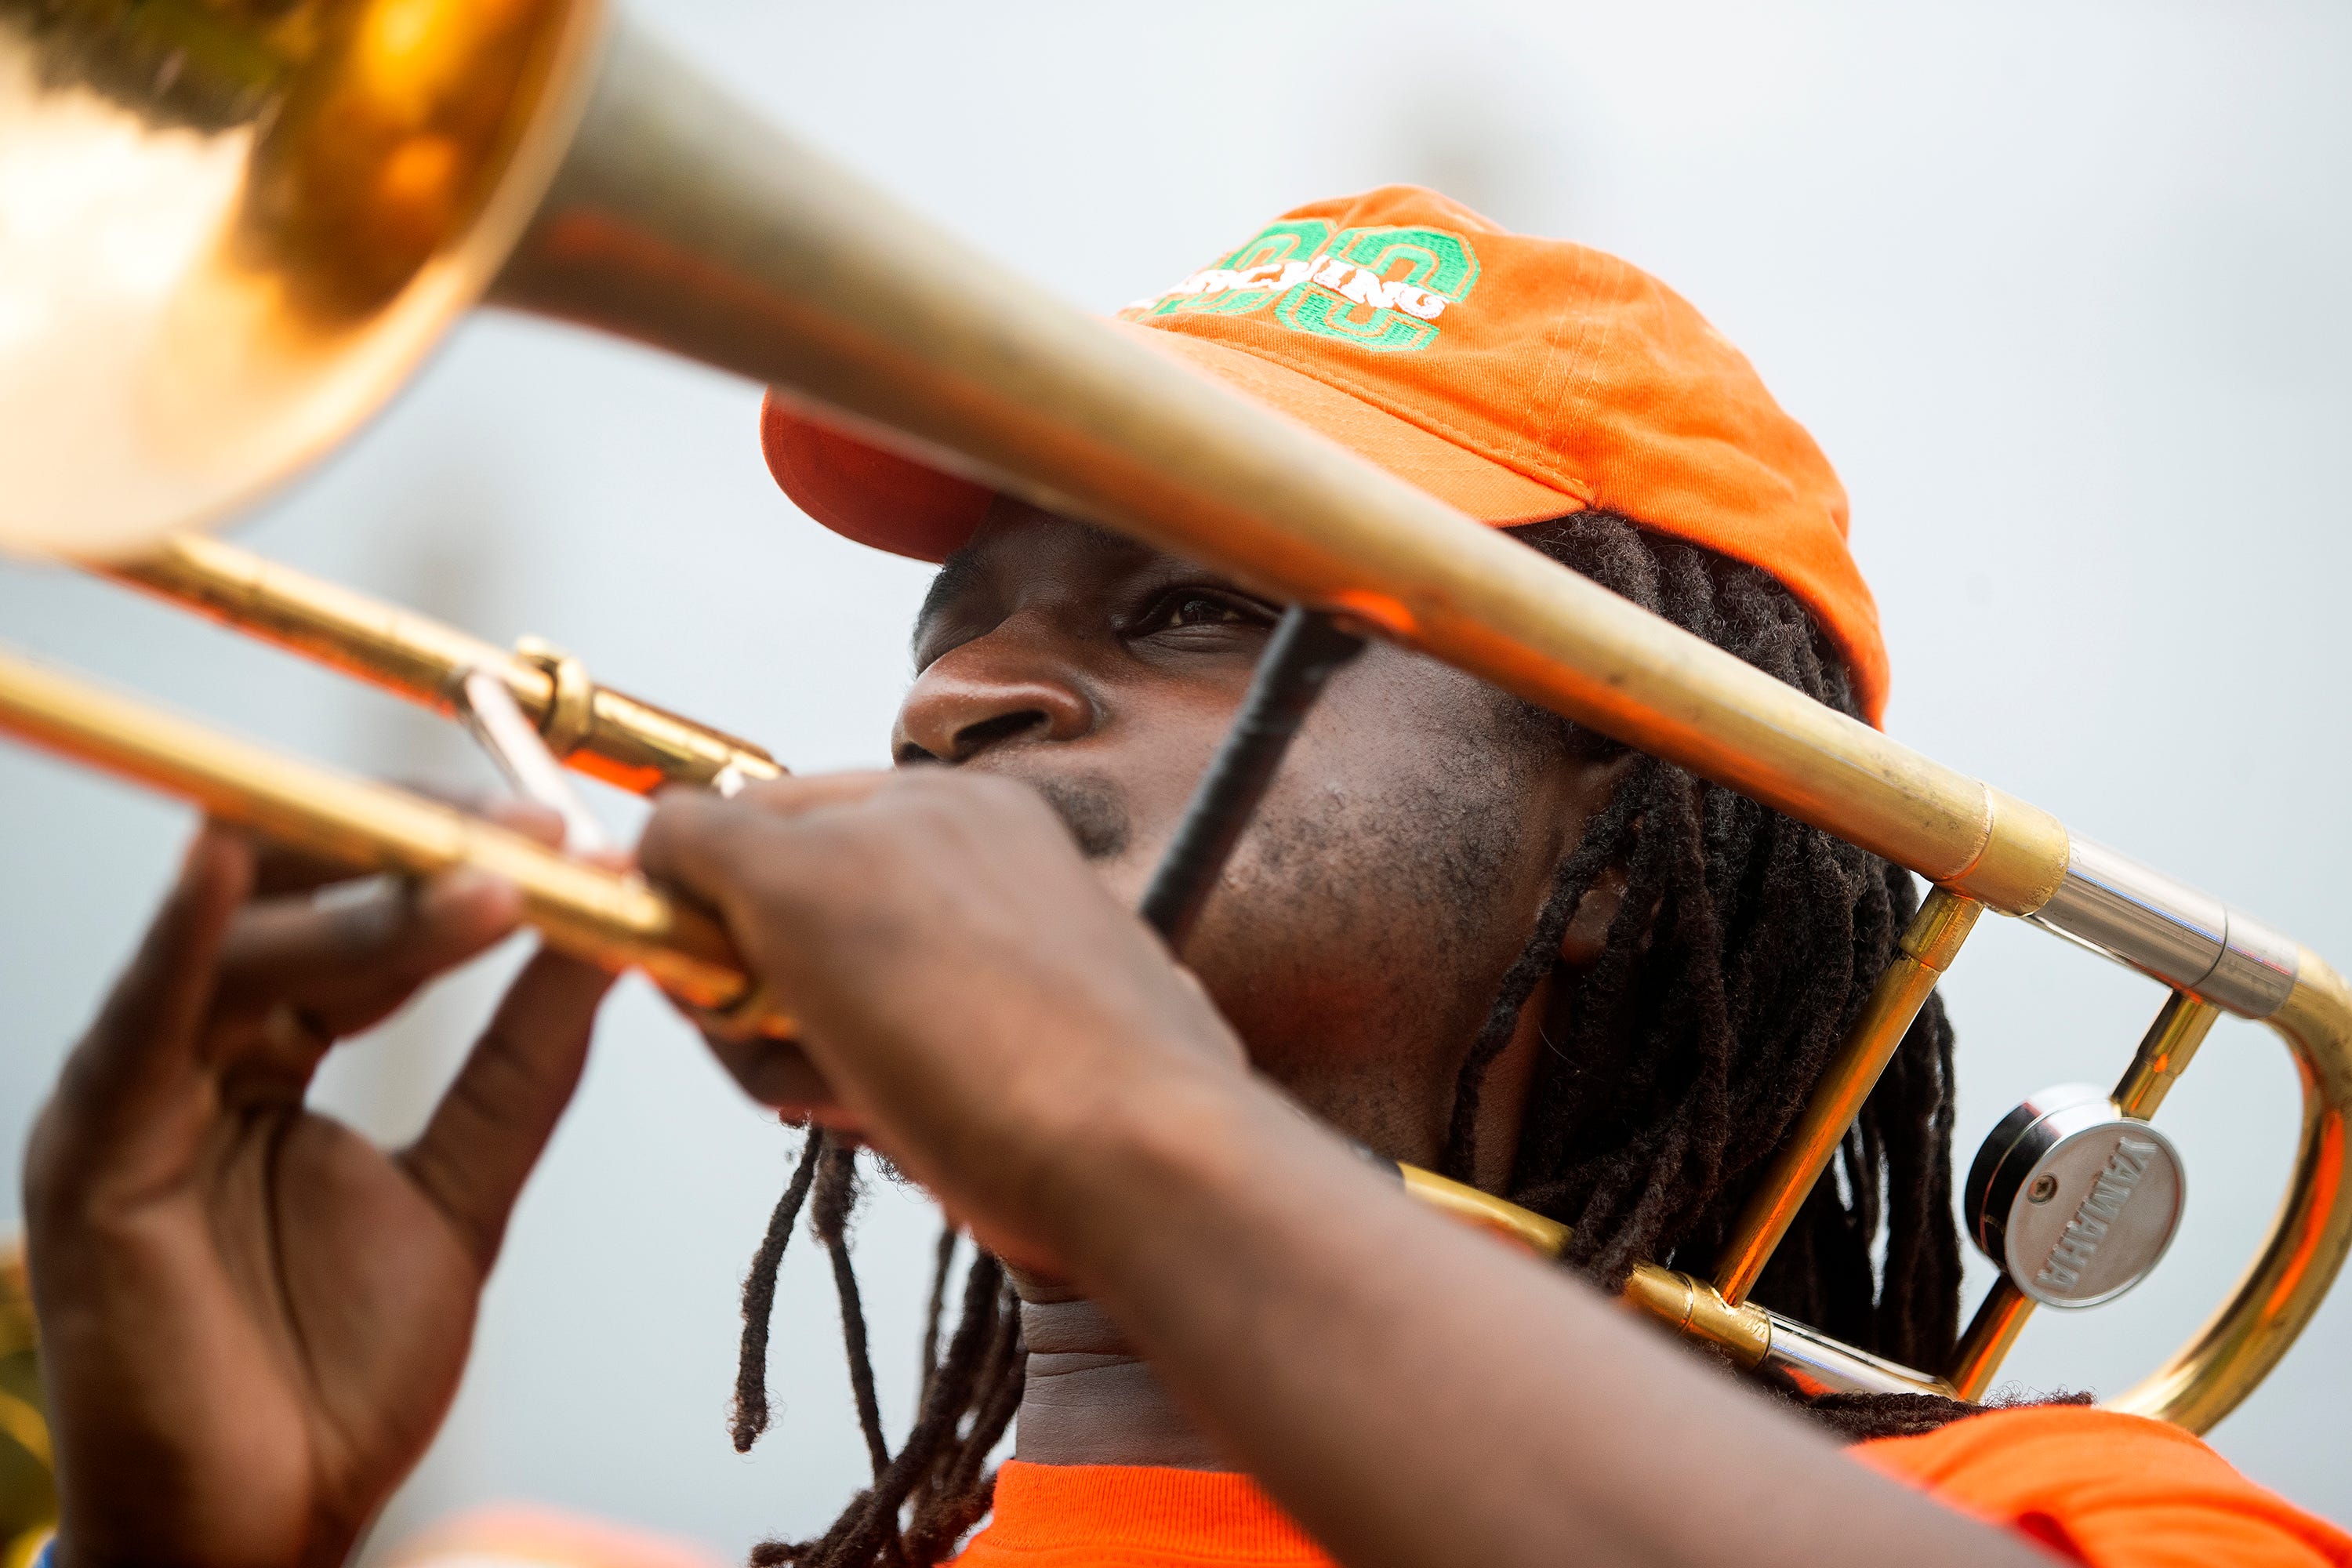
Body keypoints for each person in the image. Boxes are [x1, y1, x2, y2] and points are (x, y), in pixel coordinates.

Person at [21, 189, 2350, 1568]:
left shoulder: (2085, 1510)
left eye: (1193, 615)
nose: (953, 710)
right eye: (950, 635)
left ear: (1638, 837)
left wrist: (1132, 1132)